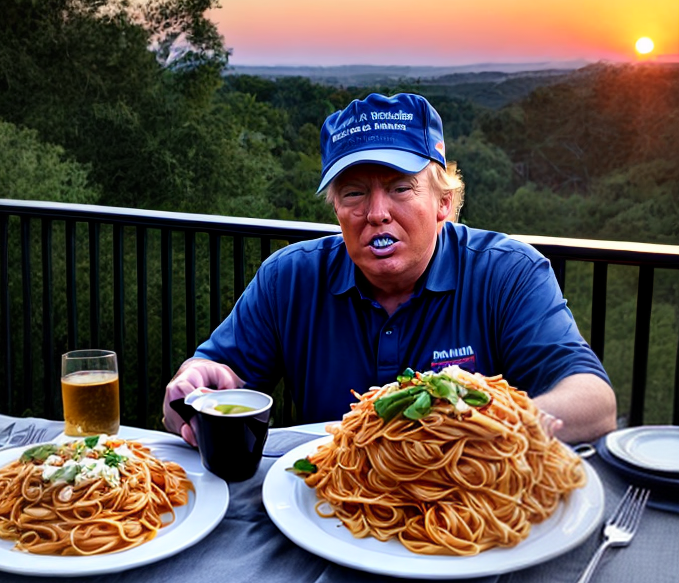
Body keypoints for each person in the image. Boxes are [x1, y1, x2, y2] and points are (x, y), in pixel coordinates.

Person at [162, 92, 616, 445]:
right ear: (336, 208)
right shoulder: (289, 278)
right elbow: (214, 375)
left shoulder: (508, 274)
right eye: (354, 192)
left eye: (400, 188)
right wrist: (193, 388)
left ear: (443, 203)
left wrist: (485, 426)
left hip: (461, 521)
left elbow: (594, 402)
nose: (376, 212)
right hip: (329, 513)